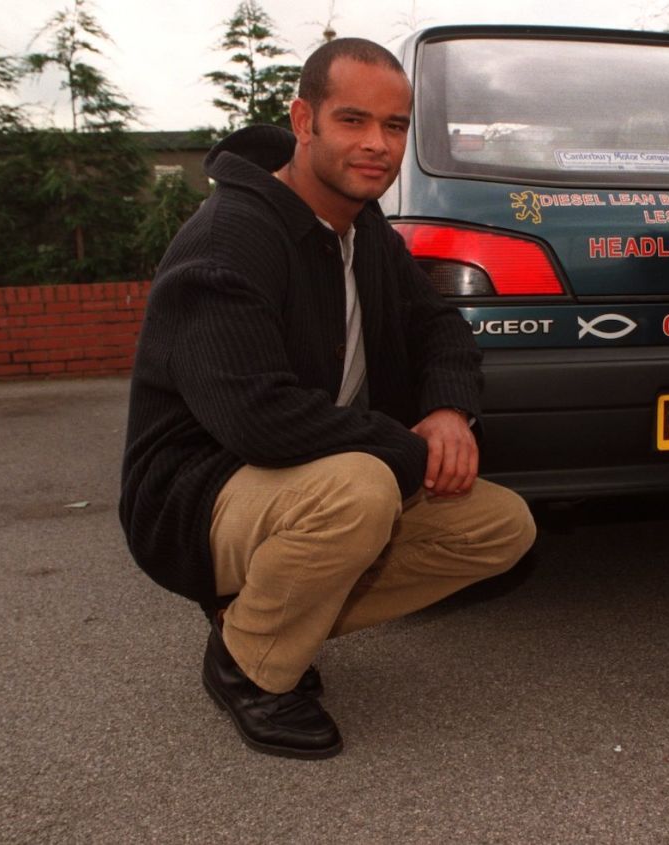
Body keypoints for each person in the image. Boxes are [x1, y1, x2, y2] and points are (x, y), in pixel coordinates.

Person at [119, 38, 536, 760]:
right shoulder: (228, 239)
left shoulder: (362, 228)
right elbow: (258, 418)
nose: (378, 144)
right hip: (195, 493)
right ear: (303, 120)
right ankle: (250, 668)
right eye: (353, 120)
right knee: (361, 491)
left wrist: (448, 411)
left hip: (307, 473)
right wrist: (409, 449)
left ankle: (256, 618)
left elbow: (436, 324)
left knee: (502, 526)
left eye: (394, 125)